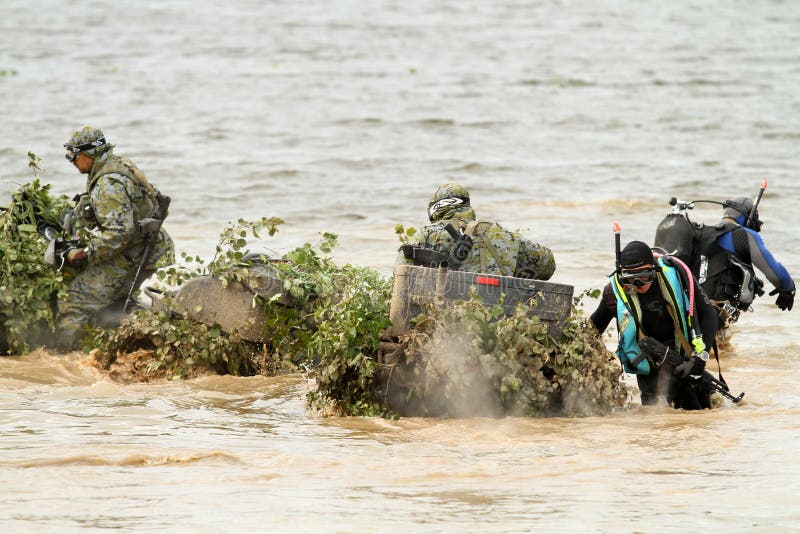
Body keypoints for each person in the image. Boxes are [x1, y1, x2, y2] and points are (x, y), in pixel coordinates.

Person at [55, 126, 174, 350]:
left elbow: (120, 233)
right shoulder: (118, 164)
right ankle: (123, 340)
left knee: (74, 301)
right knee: (108, 296)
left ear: (89, 153)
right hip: (142, 248)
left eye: (74, 155)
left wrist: (85, 253)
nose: (72, 161)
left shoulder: (107, 184)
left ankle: (65, 363)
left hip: (134, 254)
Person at [590, 241, 718, 410]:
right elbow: (592, 331)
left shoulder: (678, 278)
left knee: (699, 416)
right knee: (653, 424)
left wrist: (699, 358)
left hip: (684, 362)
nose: (638, 285)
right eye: (630, 279)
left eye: (643, 277)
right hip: (648, 365)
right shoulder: (613, 294)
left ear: (654, 270)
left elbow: (709, 315)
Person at [395, 182, 556, 280]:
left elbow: (400, 275)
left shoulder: (427, 234)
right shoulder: (505, 235)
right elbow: (547, 265)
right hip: (500, 316)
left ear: (435, 210)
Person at [694, 196, 795, 326]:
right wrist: (788, 289)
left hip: (693, 307)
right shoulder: (744, 235)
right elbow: (776, 274)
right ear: (748, 215)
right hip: (716, 313)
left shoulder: (706, 234)